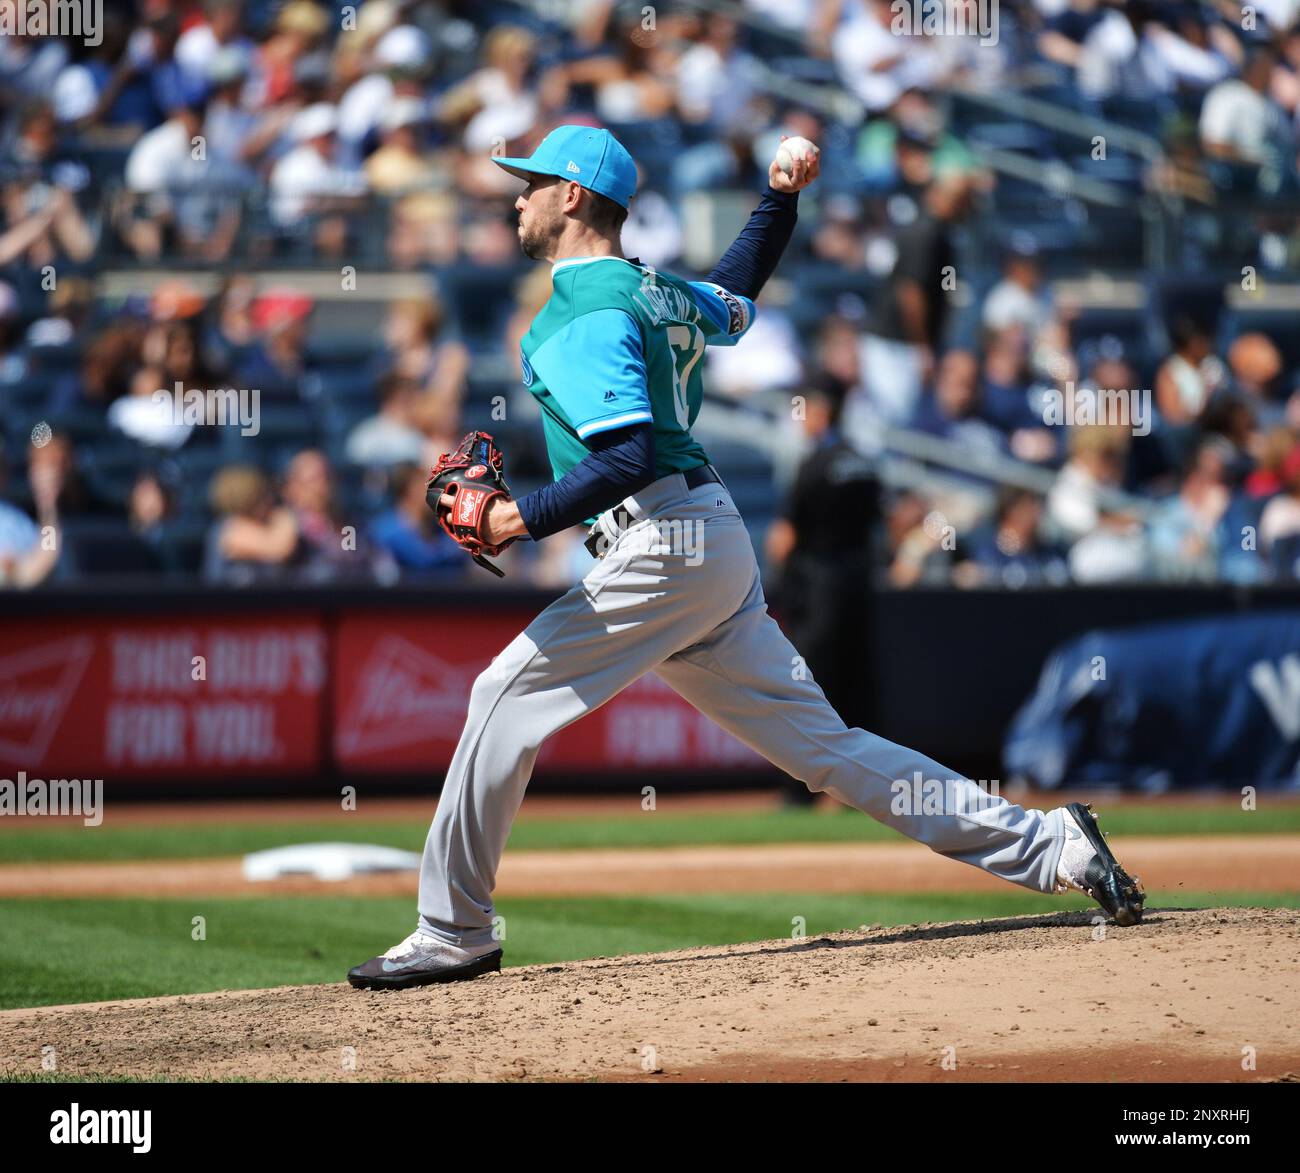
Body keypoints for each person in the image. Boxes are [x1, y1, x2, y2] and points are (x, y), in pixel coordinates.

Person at [347, 125, 1145, 991]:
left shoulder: (578, 312)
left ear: (572, 195)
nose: (517, 195)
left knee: (502, 693)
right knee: (828, 751)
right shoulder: (649, 289)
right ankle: (1053, 844)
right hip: (704, 539)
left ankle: (453, 927)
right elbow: (733, 292)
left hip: (663, 540)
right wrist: (780, 199)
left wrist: (516, 520)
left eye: (532, 181)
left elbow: (633, 454)